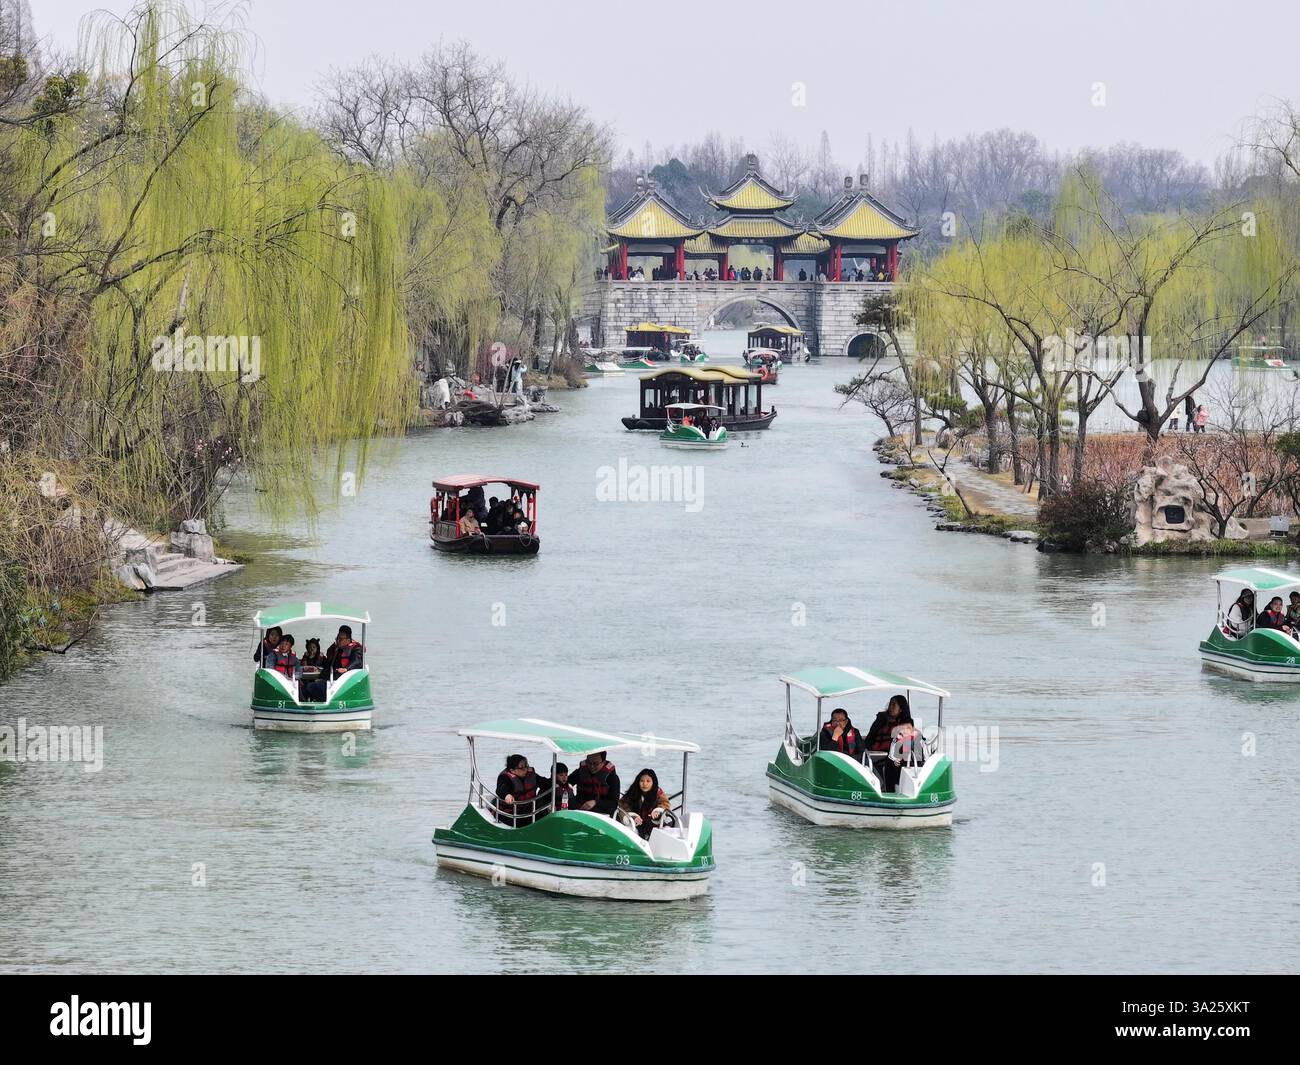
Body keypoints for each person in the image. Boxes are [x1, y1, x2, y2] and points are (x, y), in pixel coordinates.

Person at [865, 695, 911, 792]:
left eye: (894, 705)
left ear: (901, 709)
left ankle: (900, 789)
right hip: (877, 753)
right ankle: (888, 790)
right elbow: (870, 738)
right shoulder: (881, 719)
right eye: (890, 704)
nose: (890, 707)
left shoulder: (907, 722)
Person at [618, 768, 671, 840]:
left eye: (648, 781)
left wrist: (658, 810)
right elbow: (622, 805)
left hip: (652, 823)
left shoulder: (658, 793)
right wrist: (633, 817)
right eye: (642, 781)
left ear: (653, 782)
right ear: (638, 781)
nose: (644, 784)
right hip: (635, 823)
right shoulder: (633, 791)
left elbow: (665, 803)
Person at [495, 754, 542, 827]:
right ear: (512, 770)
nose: (526, 769)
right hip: (510, 812)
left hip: (528, 808)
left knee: (543, 809)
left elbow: (544, 782)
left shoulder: (531, 775)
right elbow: (501, 789)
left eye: (526, 766)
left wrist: (558, 781)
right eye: (522, 767)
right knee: (523, 820)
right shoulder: (505, 778)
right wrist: (507, 795)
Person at [572, 751, 620, 815]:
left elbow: (614, 803)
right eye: (589, 762)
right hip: (580, 809)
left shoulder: (613, 778)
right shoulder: (581, 771)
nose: (591, 766)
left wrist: (595, 802)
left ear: (603, 762)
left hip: (601, 813)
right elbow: (566, 782)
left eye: (595, 763)